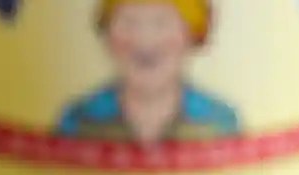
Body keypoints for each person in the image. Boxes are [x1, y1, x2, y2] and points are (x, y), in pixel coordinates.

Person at [56, 0, 241, 143]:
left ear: (192, 34)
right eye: (130, 23)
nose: (145, 39)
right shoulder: (78, 119)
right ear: (107, 34)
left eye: (161, 22)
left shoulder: (220, 121)